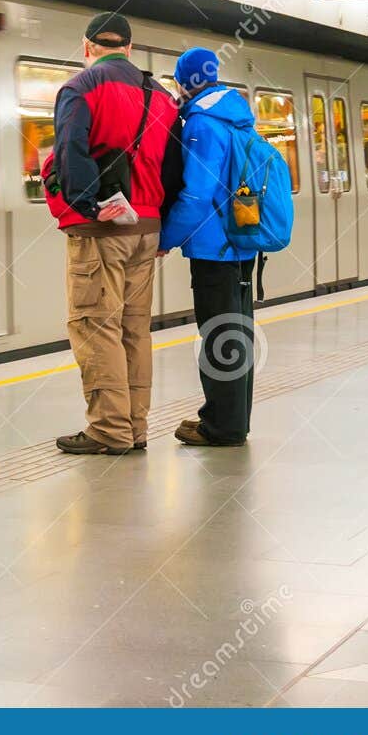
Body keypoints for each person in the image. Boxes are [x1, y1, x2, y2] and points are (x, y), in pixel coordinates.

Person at [44, 12, 181, 455]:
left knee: (94, 325)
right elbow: (176, 168)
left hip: (102, 230)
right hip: (147, 227)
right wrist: (161, 221)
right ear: (129, 46)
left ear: (87, 47)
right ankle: (135, 427)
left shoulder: (80, 88)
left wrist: (89, 206)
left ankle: (108, 430)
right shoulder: (161, 97)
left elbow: (69, 151)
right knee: (134, 329)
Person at [158, 48, 258, 447]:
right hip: (242, 241)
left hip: (212, 248)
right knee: (238, 333)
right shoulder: (239, 116)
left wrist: (166, 239)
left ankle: (221, 426)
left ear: (184, 82)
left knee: (218, 333)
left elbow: (197, 195)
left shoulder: (201, 123)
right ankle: (236, 420)